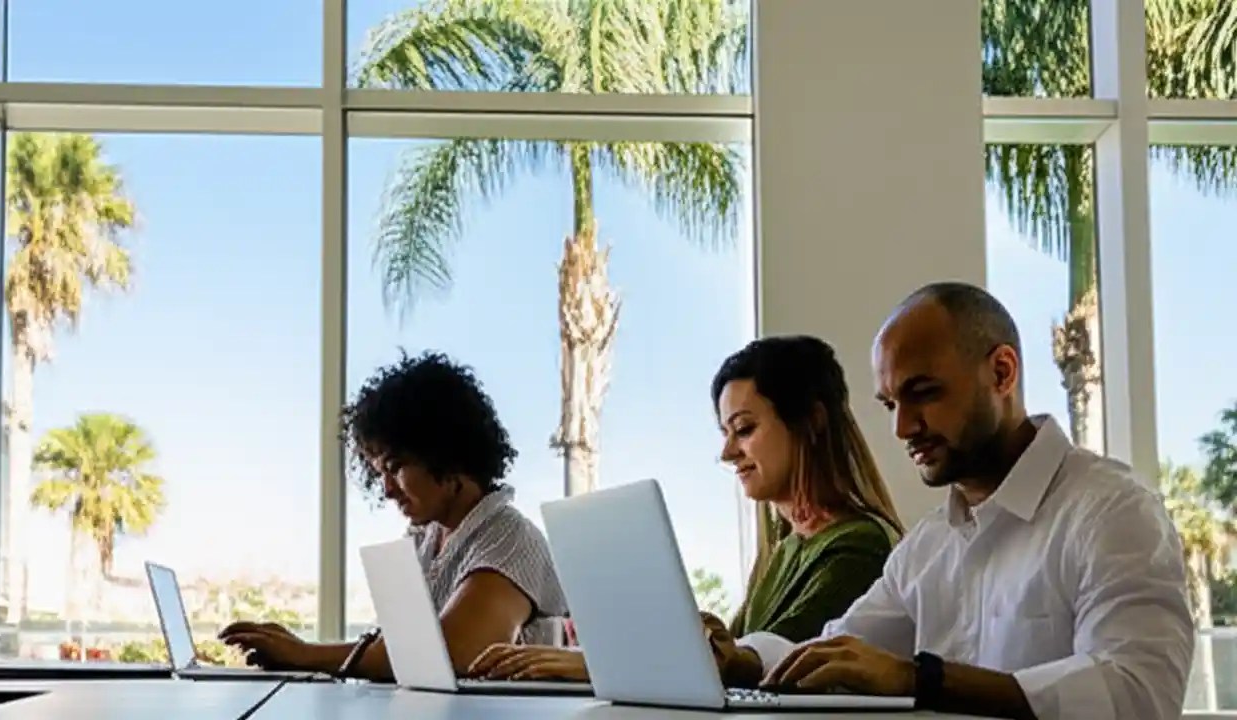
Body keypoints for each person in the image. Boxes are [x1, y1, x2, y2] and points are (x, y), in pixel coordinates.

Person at [716, 282, 1193, 720]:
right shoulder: (928, 547)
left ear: (1001, 373)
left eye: (923, 393)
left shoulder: (1113, 512)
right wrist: (740, 657)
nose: (902, 428)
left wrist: (922, 680)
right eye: (890, 405)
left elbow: (1138, 693)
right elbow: (835, 650)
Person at [468, 335, 905, 687]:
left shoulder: (860, 544)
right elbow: (729, 651)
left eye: (744, 429)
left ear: (811, 421)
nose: (728, 452)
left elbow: (770, 661)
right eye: (725, 433)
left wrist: (590, 665)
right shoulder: (787, 548)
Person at [218, 351, 568, 681]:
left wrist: (304, 654)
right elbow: (398, 649)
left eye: (396, 467)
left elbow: (454, 653)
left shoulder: (509, 537)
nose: (386, 489)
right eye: (379, 472)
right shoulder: (425, 540)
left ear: (444, 452)